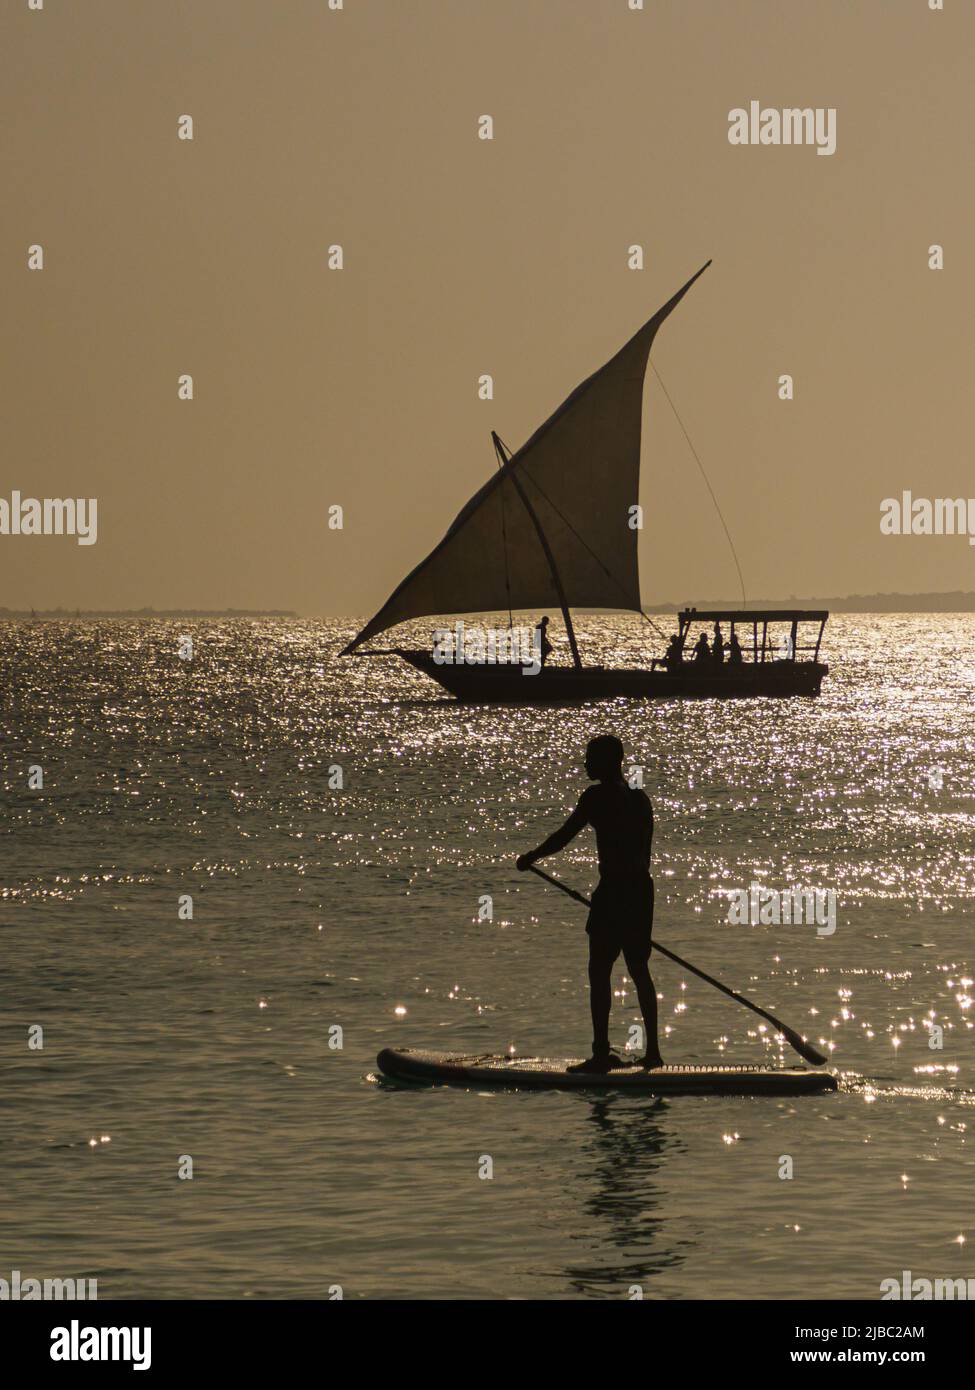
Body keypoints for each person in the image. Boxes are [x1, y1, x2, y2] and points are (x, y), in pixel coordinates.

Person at [516, 735, 662, 1073]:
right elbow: (644, 855)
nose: (585, 764)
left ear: (608, 762)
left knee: (599, 971)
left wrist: (531, 857)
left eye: (590, 758)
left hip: (615, 893)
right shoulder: (641, 799)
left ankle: (600, 1055)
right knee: (639, 970)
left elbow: (564, 836)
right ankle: (653, 1053)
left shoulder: (596, 797)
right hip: (641, 891)